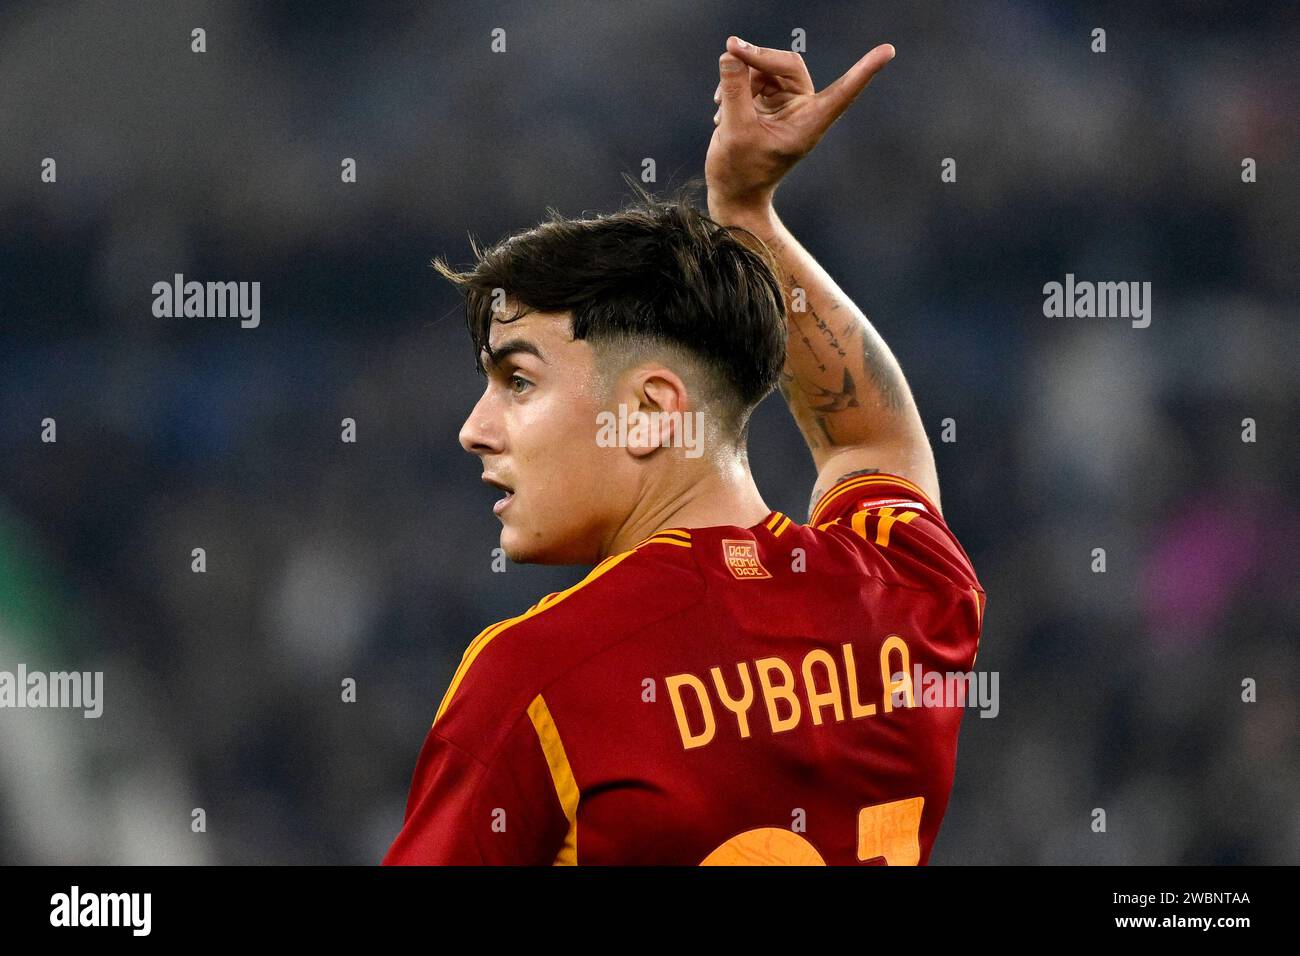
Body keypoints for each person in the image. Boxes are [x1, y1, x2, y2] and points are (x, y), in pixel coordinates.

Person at [383, 36, 985, 865]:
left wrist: (741, 211)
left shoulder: (536, 682)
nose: (474, 427)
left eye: (517, 382)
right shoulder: (909, 594)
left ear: (648, 410)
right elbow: (871, 436)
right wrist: (746, 211)